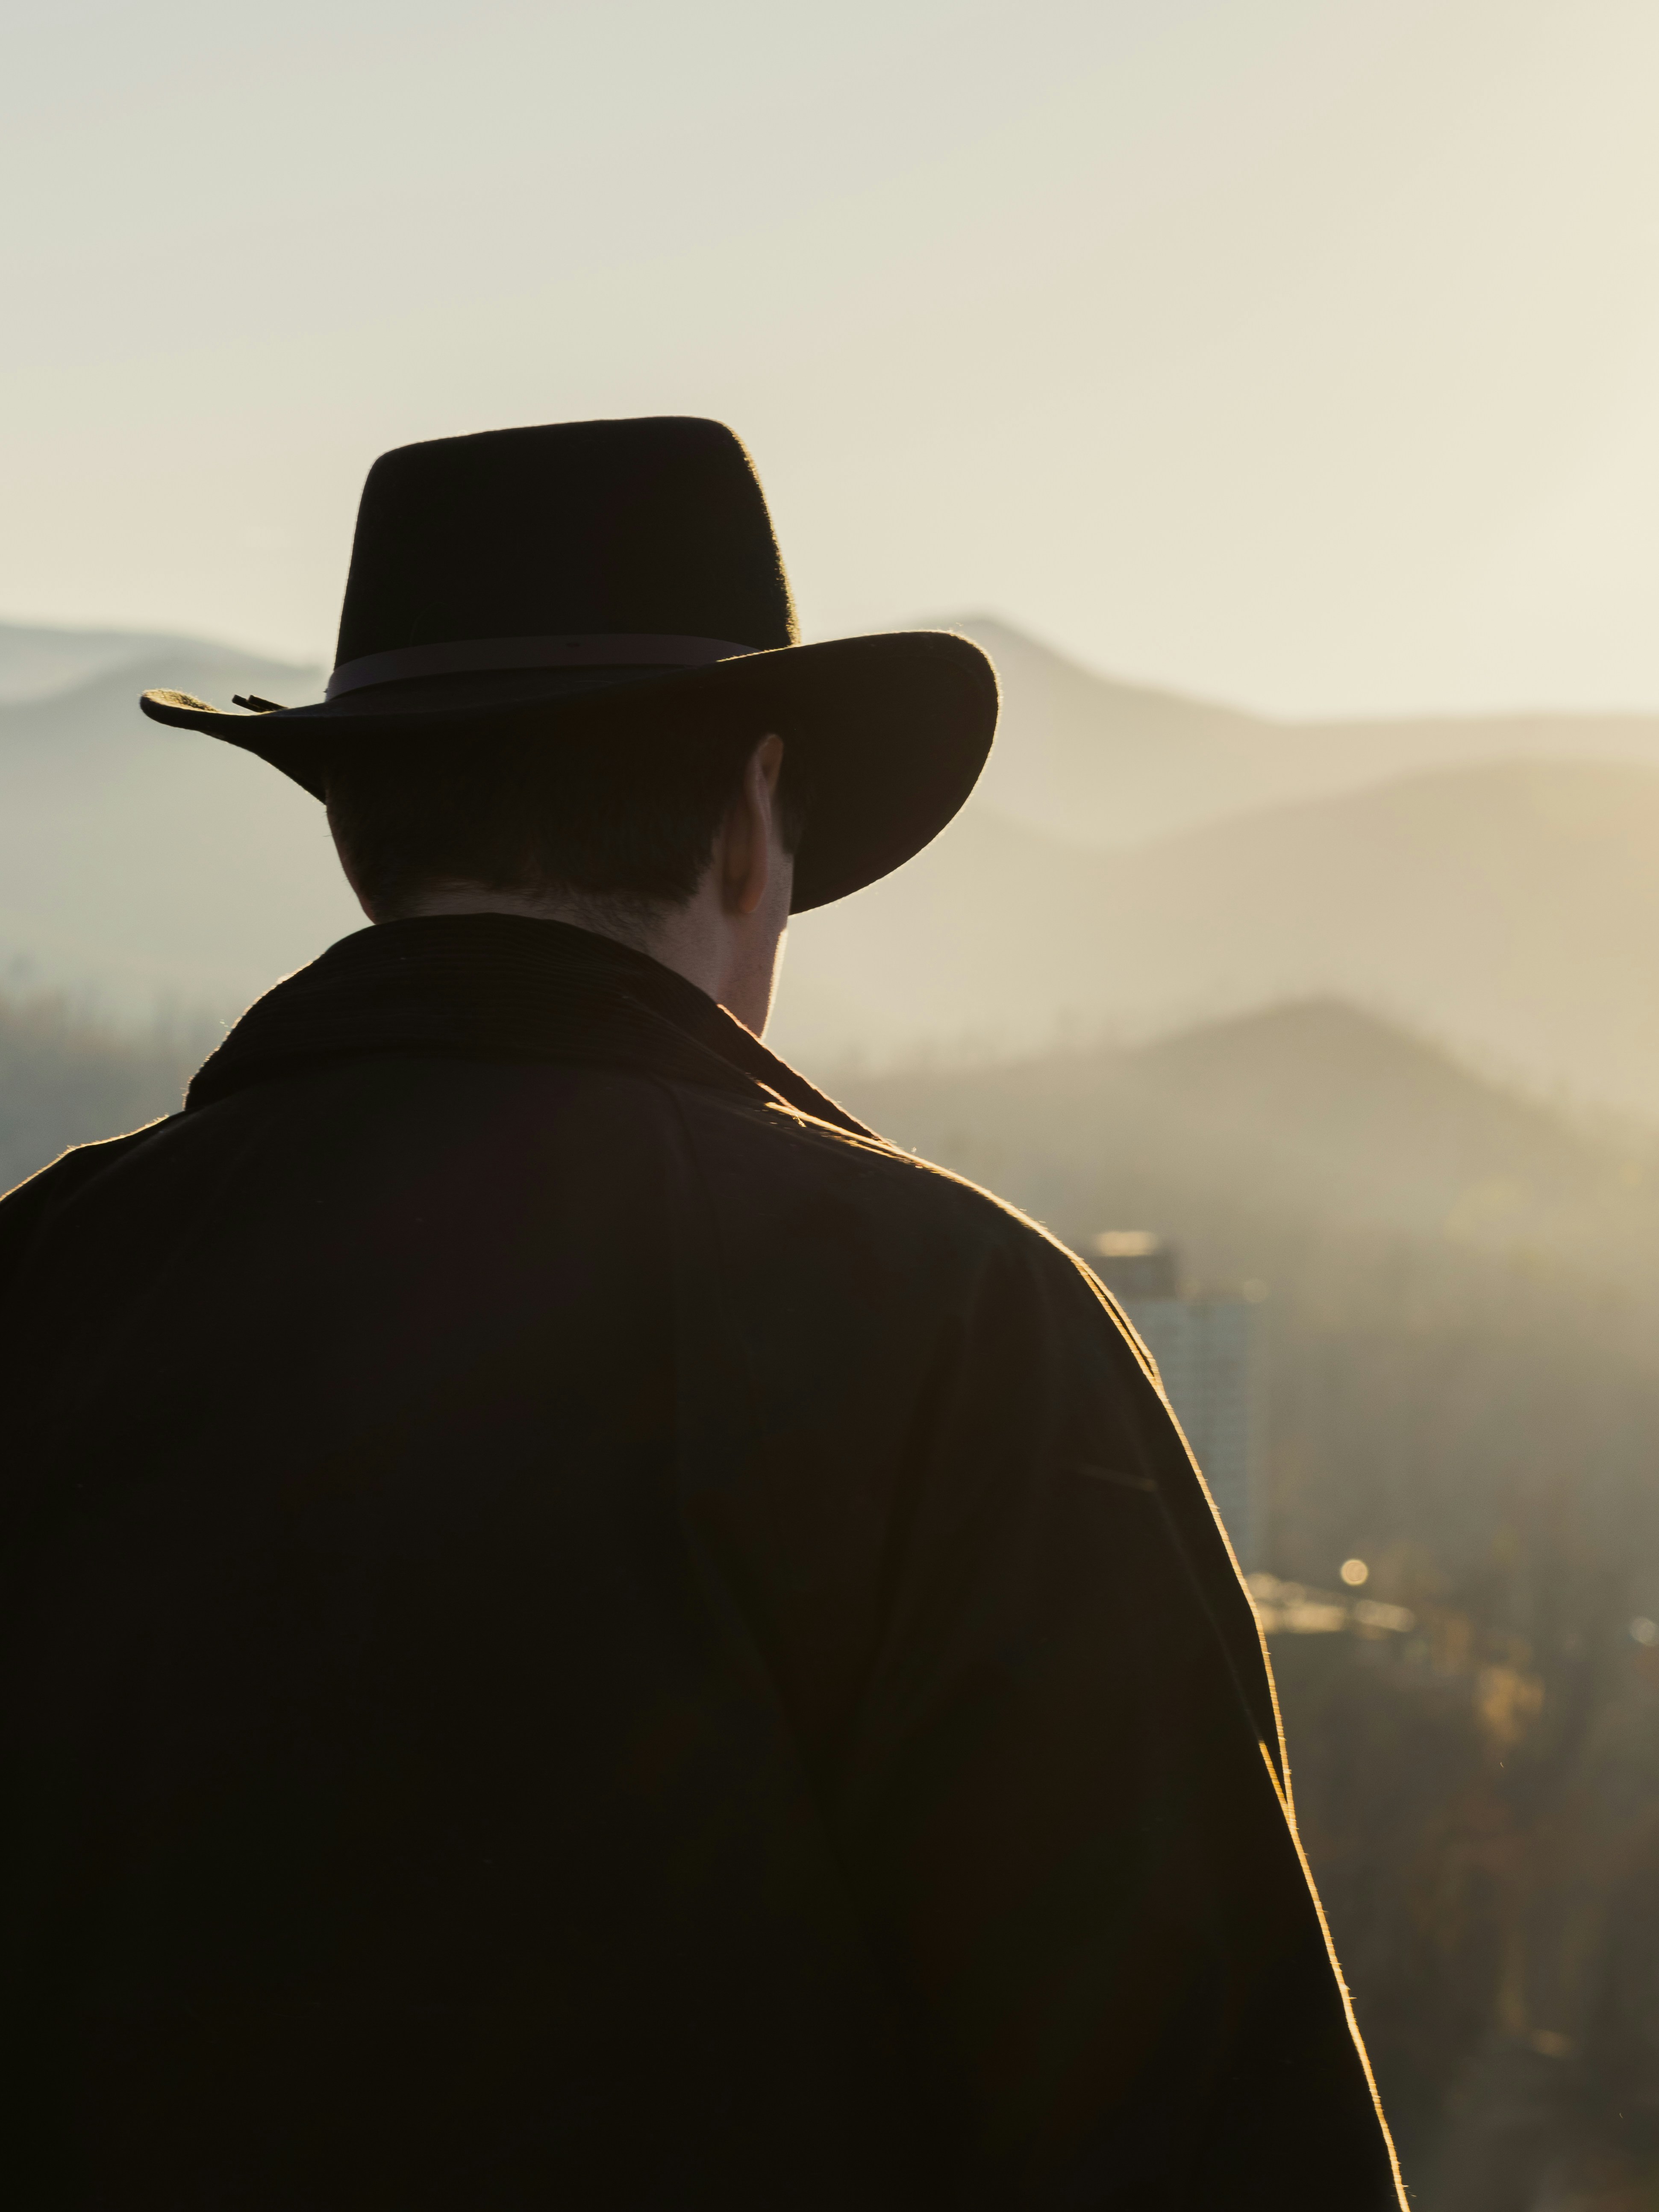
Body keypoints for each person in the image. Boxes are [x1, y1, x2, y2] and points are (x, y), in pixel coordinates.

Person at [0, 417, 1403, 2208]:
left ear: (358, 838)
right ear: (753, 825)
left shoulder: (41, 1289)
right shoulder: (955, 1327)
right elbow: (1198, 2124)